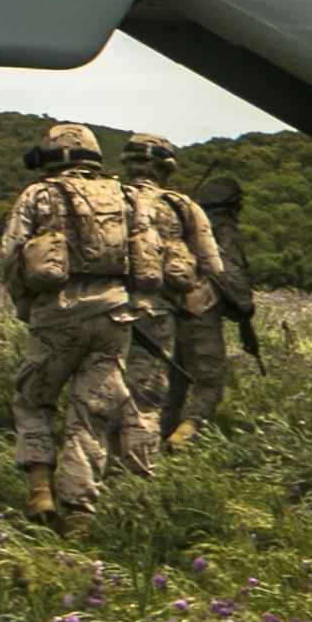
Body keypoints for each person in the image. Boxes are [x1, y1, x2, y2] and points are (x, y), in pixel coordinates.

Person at [0, 123, 143, 524]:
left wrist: (25, 305)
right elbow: (146, 257)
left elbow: (10, 255)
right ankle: (79, 513)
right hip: (114, 316)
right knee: (91, 414)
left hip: (56, 315)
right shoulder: (124, 197)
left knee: (33, 400)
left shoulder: (38, 194)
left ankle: (40, 492)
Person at [113, 133, 221, 467]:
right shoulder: (181, 206)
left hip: (101, 310)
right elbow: (213, 266)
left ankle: (91, 471)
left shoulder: (103, 197)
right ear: (167, 168)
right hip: (155, 316)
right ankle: (133, 476)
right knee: (144, 402)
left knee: (96, 397)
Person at [169, 169, 263, 445]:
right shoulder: (223, 230)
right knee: (210, 381)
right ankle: (186, 433)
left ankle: (159, 439)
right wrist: (245, 312)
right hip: (201, 309)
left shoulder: (182, 225)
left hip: (169, 309)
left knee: (174, 382)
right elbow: (229, 276)